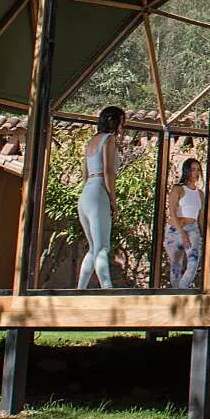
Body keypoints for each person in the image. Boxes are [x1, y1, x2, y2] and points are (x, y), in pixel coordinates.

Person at [77, 106, 123, 289]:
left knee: (93, 247)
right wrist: (113, 199)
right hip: (98, 193)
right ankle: (107, 287)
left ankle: (80, 288)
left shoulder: (91, 142)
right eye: (122, 122)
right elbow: (109, 171)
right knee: (103, 247)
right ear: (115, 122)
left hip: (86, 193)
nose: (122, 126)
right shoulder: (109, 139)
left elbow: (84, 173)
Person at [162, 158, 204, 289]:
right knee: (175, 265)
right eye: (193, 169)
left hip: (193, 228)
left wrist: (202, 235)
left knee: (193, 262)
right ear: (187, 171)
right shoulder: (178, 189)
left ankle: (181, 290)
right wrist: (182, 233)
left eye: (198, 170)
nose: (196, 173)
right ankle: (176, 293)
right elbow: (172, 212)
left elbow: (200, 217)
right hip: (175, 229)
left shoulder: (200, 194)